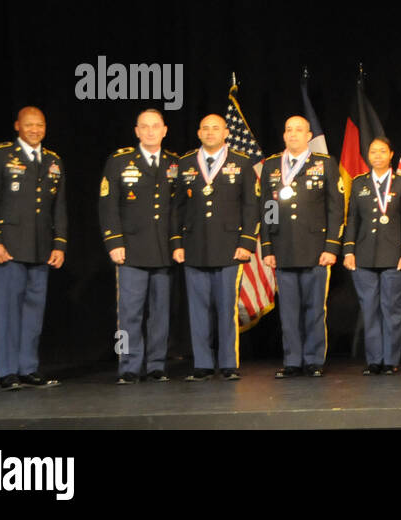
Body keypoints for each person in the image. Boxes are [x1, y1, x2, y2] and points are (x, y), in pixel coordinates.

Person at [0, 106, 66, 390]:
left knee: (33, 312)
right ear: (18, 126)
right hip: (9, 248)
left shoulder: (53, 161)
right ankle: (7, 371)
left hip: (40, 248)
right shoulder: (0, 155)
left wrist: (59, 244)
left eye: (39, 125)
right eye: (29, 125)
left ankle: (29, 368)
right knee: (6, 310)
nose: (35, 129)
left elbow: (59, 207)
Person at [173, 114, 260, 381]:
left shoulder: (241, 163)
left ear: (226, 133)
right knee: (198, 309)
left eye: (216, 128)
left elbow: (251, 206)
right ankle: (202, 364)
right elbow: (176, 208)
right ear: (199, 133)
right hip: (194, 246)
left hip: (230, 248)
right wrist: (177, 243)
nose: (210, 133)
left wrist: (246, 242)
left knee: (226, 308)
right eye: (205, 129)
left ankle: (228, 364)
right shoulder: (185, 163)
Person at [99, 108, 179, 384]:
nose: (150, 131)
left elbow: (178, 209)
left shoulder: (174, 163)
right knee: (129, 313)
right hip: (131, 249)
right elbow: (108, 205)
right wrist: (114, 241)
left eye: (155, 126)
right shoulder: (120, 161)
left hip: (163, 250)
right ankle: (129, 366)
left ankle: (157, 365)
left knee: (160, 313)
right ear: (136, 131)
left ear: (164, 130)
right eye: (144, 126)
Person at [261, 116, 343, 378]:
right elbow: (266, 209)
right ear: (284, 135)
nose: (293, 134)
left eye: (299, 130)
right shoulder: (272, 166)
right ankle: (292, 360)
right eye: (289, 130)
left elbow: (335, 208)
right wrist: (268, 248)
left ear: (309, 135)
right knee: (288, 311)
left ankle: (314, 360)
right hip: (283, 249)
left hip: (316, 249)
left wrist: (331, 246)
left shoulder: (325, 164)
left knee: (315, 308)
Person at [344, 137, 401, 375]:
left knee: (391, 308)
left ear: (391, 154)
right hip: (364, 255)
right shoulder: (359, 183)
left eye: (382, 151)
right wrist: (349, 250)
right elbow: (352, 219)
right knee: (369, 308)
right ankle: (374, 359)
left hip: (394, 255)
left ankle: (390, 359)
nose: (377, 155)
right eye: (373, 151)